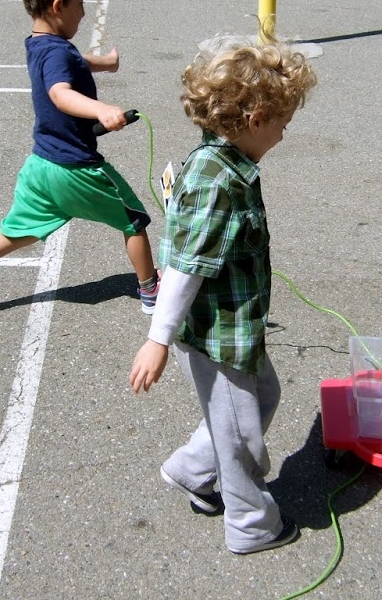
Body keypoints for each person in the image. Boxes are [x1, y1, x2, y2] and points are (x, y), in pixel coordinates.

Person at [129, 38, 317, 556]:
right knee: (240, 435)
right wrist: (158, 339)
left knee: (263, 398)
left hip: (236, 326)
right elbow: (185, 266)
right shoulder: (217, 183)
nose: (284, 133)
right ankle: (252, 523)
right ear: (256, 120)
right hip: (215, 336)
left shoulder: (225, 163)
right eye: (283, 123)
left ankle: (192, 471)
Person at [0, 0, 158, 318]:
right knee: (133, 221)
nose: (83, 12)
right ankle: (151, 292)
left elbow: (71, 61)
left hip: (41, 167)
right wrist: (101, 109)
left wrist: (105, 63)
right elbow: (59, 92)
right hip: (76, 170)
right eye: (80, 3)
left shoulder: (39, 43)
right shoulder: (57, 54)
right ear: (58, 6)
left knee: (21, 229)